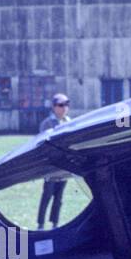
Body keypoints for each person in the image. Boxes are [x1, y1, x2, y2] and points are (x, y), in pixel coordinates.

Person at [36, 92, 73, 230]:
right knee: (47, 194)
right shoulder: (47, 123)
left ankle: (55, 223)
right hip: (51, 165)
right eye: (61, 105)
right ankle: (40, 223)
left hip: (64, 165)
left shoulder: (69, 122)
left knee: (59, 196)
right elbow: (42, 143)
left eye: (66, 105)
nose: (64, 108)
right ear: (54, 107)